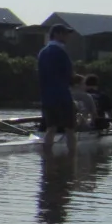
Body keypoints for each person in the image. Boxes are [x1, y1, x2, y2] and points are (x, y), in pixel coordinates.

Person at [37, 25, 76, 155]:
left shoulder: (42, 52)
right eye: (66, 34)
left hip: (47, 97)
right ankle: (72, 161)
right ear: (57, 34)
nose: (68, 37)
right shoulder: (61, 52)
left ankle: (46, 160)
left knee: (50, 128)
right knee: (70, 129)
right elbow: (69, 75)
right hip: (63, 96)